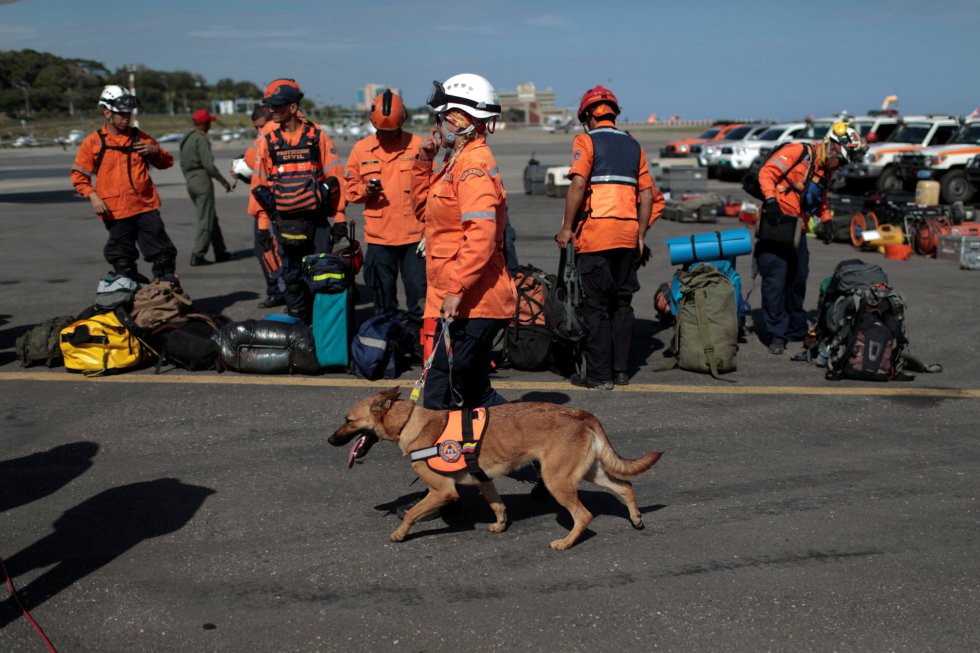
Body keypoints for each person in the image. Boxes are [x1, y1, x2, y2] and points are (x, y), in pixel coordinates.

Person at [412, 73, 516, 410]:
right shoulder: (454, 163)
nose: (438, 125)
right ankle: (524, 447)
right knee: (472, 390)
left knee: (439, 390)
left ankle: (441, 459)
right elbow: (423, 212)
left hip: (473, 300)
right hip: (462, 296)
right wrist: (424, 162)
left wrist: (456, 290)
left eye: (442, 117)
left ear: (459, 119)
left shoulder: (472, 167)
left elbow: (481, 237)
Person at [555, 85, 656, 390]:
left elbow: (577, 186)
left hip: (597, 235)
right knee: (622, 304)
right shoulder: (633, 144)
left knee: (596, 306)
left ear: (587, 115)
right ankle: (622, 371)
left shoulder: (585, 140)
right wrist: (640, 234)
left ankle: (599, 375)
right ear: (614, 113)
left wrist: (567, 228)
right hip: (627, 236)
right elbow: (647, 194)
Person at [756, 121, 864, 355]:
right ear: (835, 148)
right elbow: (766, 174)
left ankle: (796, 327)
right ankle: (777, 334)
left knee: (798, 279)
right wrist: (772, 201)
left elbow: (819, 196)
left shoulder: (825, 168)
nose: (841, 166)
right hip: (777, 226)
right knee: (775, 281)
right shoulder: (798, 152)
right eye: (843, 160)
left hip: (798, 229)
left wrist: (826, 219)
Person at [251, 78, 346, 322]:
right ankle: (298, 327)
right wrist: (263, 226)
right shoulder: (269, 142)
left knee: (321, 275)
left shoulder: (317, 137)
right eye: (271, 106)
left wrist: (340, 217)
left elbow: (335, 178)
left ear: (293, 108)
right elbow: (259, 185)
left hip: (316, 223)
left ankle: (322, 330)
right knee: (292, 279)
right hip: (284, 223)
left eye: (278, 105)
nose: (272, 110)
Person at [71, 85, 178, 282]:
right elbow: (79, 177)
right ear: (107, 113)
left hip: (145, 206)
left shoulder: (140, 137)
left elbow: (167, 162)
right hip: (115, 210)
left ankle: (167, 294)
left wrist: (155, 151)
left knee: (163, 256)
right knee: (122, 260)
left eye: (128, 113)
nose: (126, 118)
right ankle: (128, 296)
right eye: (121, 114)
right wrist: (93, 196)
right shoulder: (93, 142)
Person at [344, 90, 426, 326]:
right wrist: (365, 191)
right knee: (382, 298)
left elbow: (432, 188)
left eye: (391, 133)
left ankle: (419, 343)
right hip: (380, 237)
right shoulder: (361, 150)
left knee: (419, 294)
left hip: (413, 236)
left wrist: (432, 229)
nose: (387, 137)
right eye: (382, 132)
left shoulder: (417, 145)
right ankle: (386, 345)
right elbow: (350, 189)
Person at [238, 104, 285, 308]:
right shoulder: (266, 140)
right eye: (256, 128)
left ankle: (281, 290)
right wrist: (242, 174)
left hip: (276, 207)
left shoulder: (270, 139)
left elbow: (251, 160)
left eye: (261, 126)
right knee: (263, 250)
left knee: (271, 249)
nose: (259, 132)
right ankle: (276, 289)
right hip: (263, 206)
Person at [180, 109, 232, 266]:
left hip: (190, 180)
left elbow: (183, 163)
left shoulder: (187, 138)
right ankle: (198, 254)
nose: (210, 125)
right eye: (209, 122)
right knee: (205, 218)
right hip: (202, 180)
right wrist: (223, 180)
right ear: (203, 124)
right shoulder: (200, 139)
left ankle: (220, 251)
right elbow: (208, 165)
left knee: (210, 217)